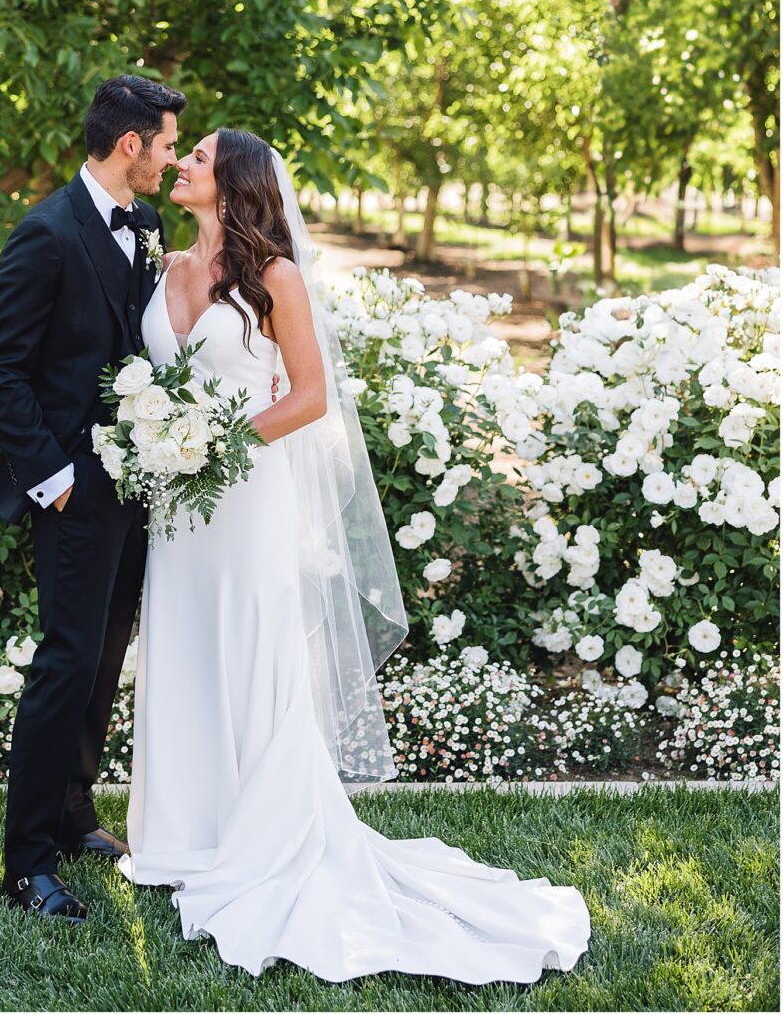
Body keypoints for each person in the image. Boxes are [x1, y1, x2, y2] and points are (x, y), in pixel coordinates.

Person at [122, 126, 591, 983]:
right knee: (186, 652)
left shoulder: (276, 277)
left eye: (198, 158)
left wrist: (212, 440)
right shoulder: (166, 268)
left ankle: (264, 835)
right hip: (179, 511)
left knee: (254, 651)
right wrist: (161, 440)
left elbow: (309, 396)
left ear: (232, 183)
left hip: (243, 492)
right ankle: (186, 836)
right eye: (181, 156)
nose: (180, 164)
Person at [0, 74, 181, 921]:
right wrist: (52, 479)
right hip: (70, 487)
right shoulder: (46, 233)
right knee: (64, 663)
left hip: (136, 480)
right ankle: (25, 863)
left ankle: (71, 814)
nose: (170, 159)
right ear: (129, 145)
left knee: (104, 657)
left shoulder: (149, 225)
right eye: (166, 144)